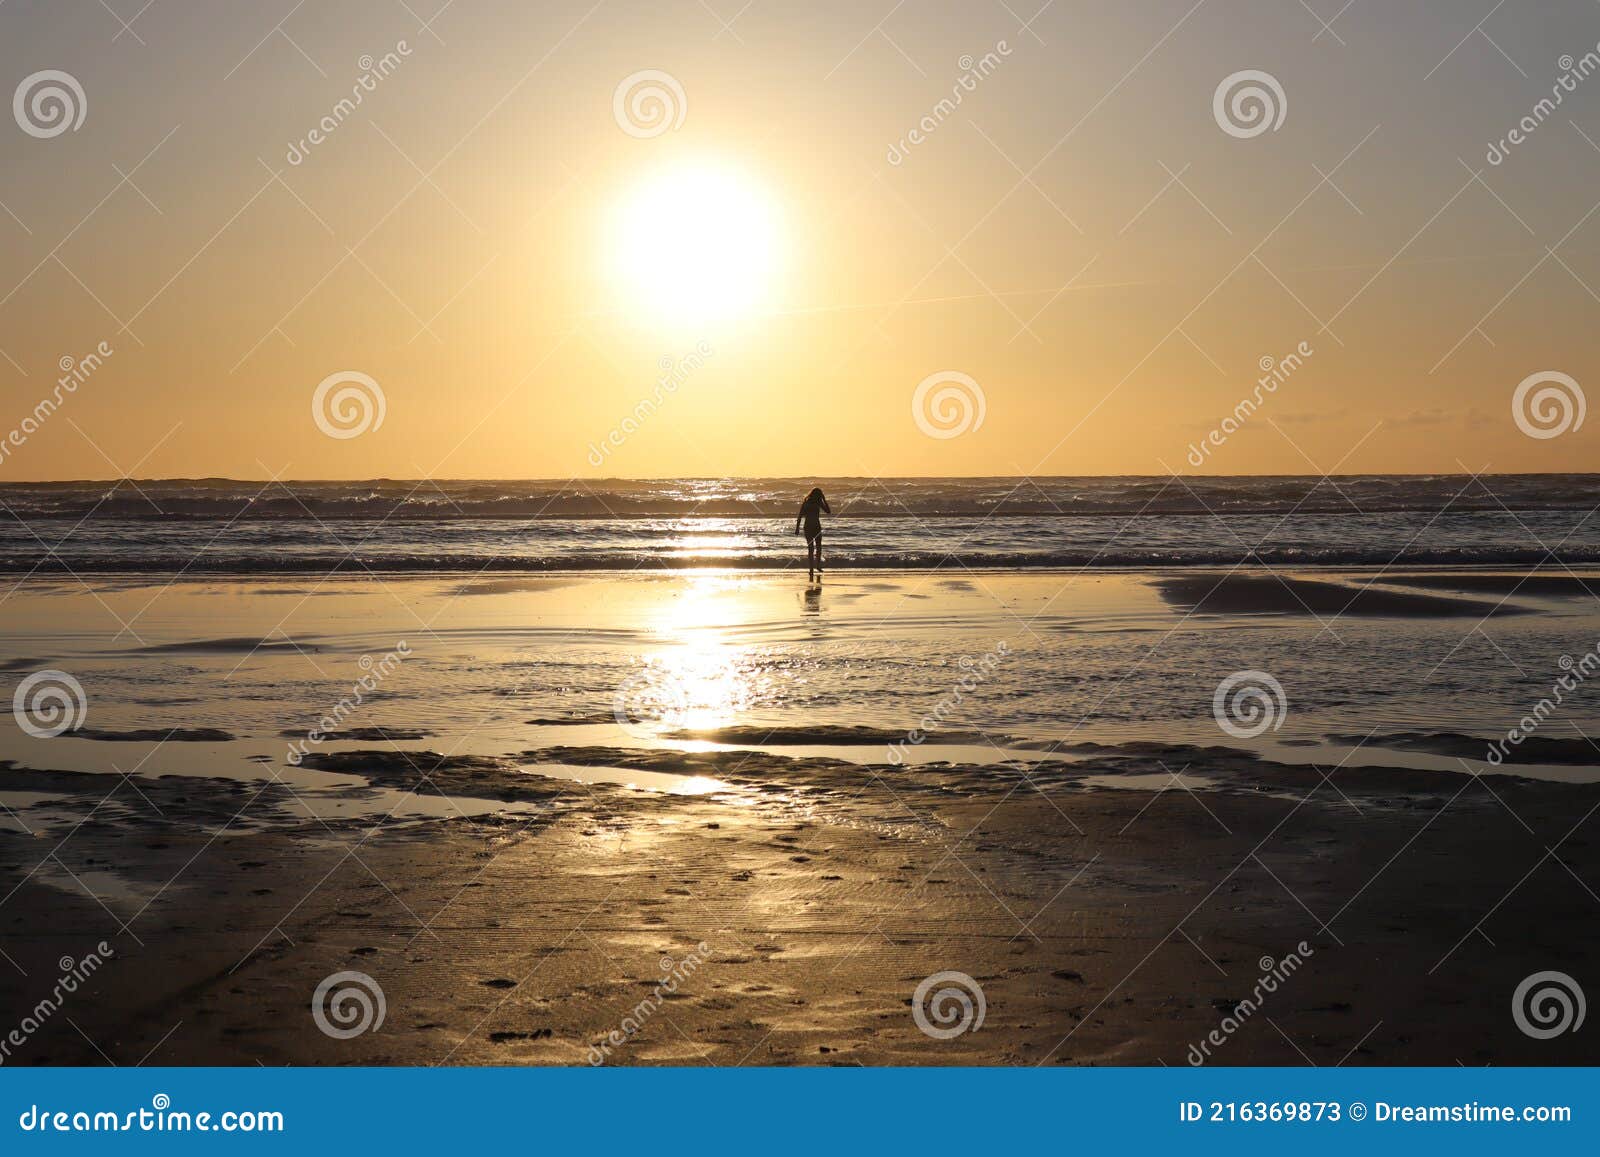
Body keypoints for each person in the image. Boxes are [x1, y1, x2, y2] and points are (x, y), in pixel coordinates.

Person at [793, 486, 831, 579]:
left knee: (815, 548)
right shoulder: (812, 502)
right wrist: (824, 500)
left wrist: (797, 528)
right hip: (812, 527)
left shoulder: (812, 502)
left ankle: (814, 567)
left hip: (812, 527)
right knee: (814, 548)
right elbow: (800, 515)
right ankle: (814, 567)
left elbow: (828, 511)